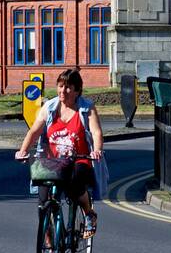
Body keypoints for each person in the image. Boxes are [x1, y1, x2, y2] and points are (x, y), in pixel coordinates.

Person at [15, 68, 107, 240]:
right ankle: (49, 247)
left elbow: (96, 133)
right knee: (43, 204)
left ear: (77, 90)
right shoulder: (49, 107)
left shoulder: (86, 108)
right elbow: (34, 131)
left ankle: (89, 214)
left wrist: (97, 150)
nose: (62, 91)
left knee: (75, 182)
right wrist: (23, 150)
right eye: (60, 86)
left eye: (68, 87)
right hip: (53, 161)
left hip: (79, 160)